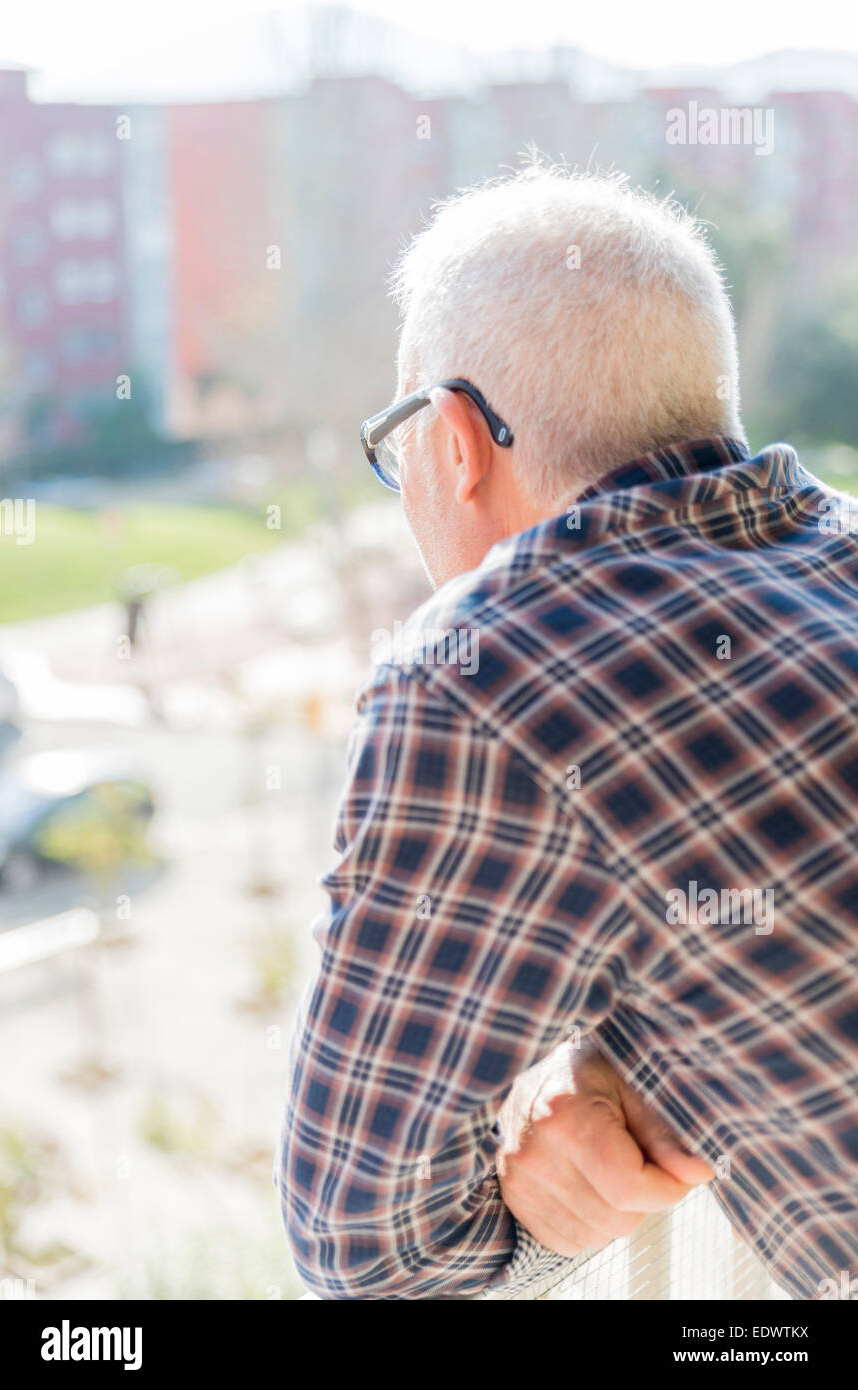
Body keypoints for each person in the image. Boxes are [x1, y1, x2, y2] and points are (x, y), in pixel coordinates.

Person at [278, 163, 858, 1300]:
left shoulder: (483, 677)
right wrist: (647, 1053)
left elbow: (369, 1255)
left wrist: (551, 1209)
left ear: (455, 438)